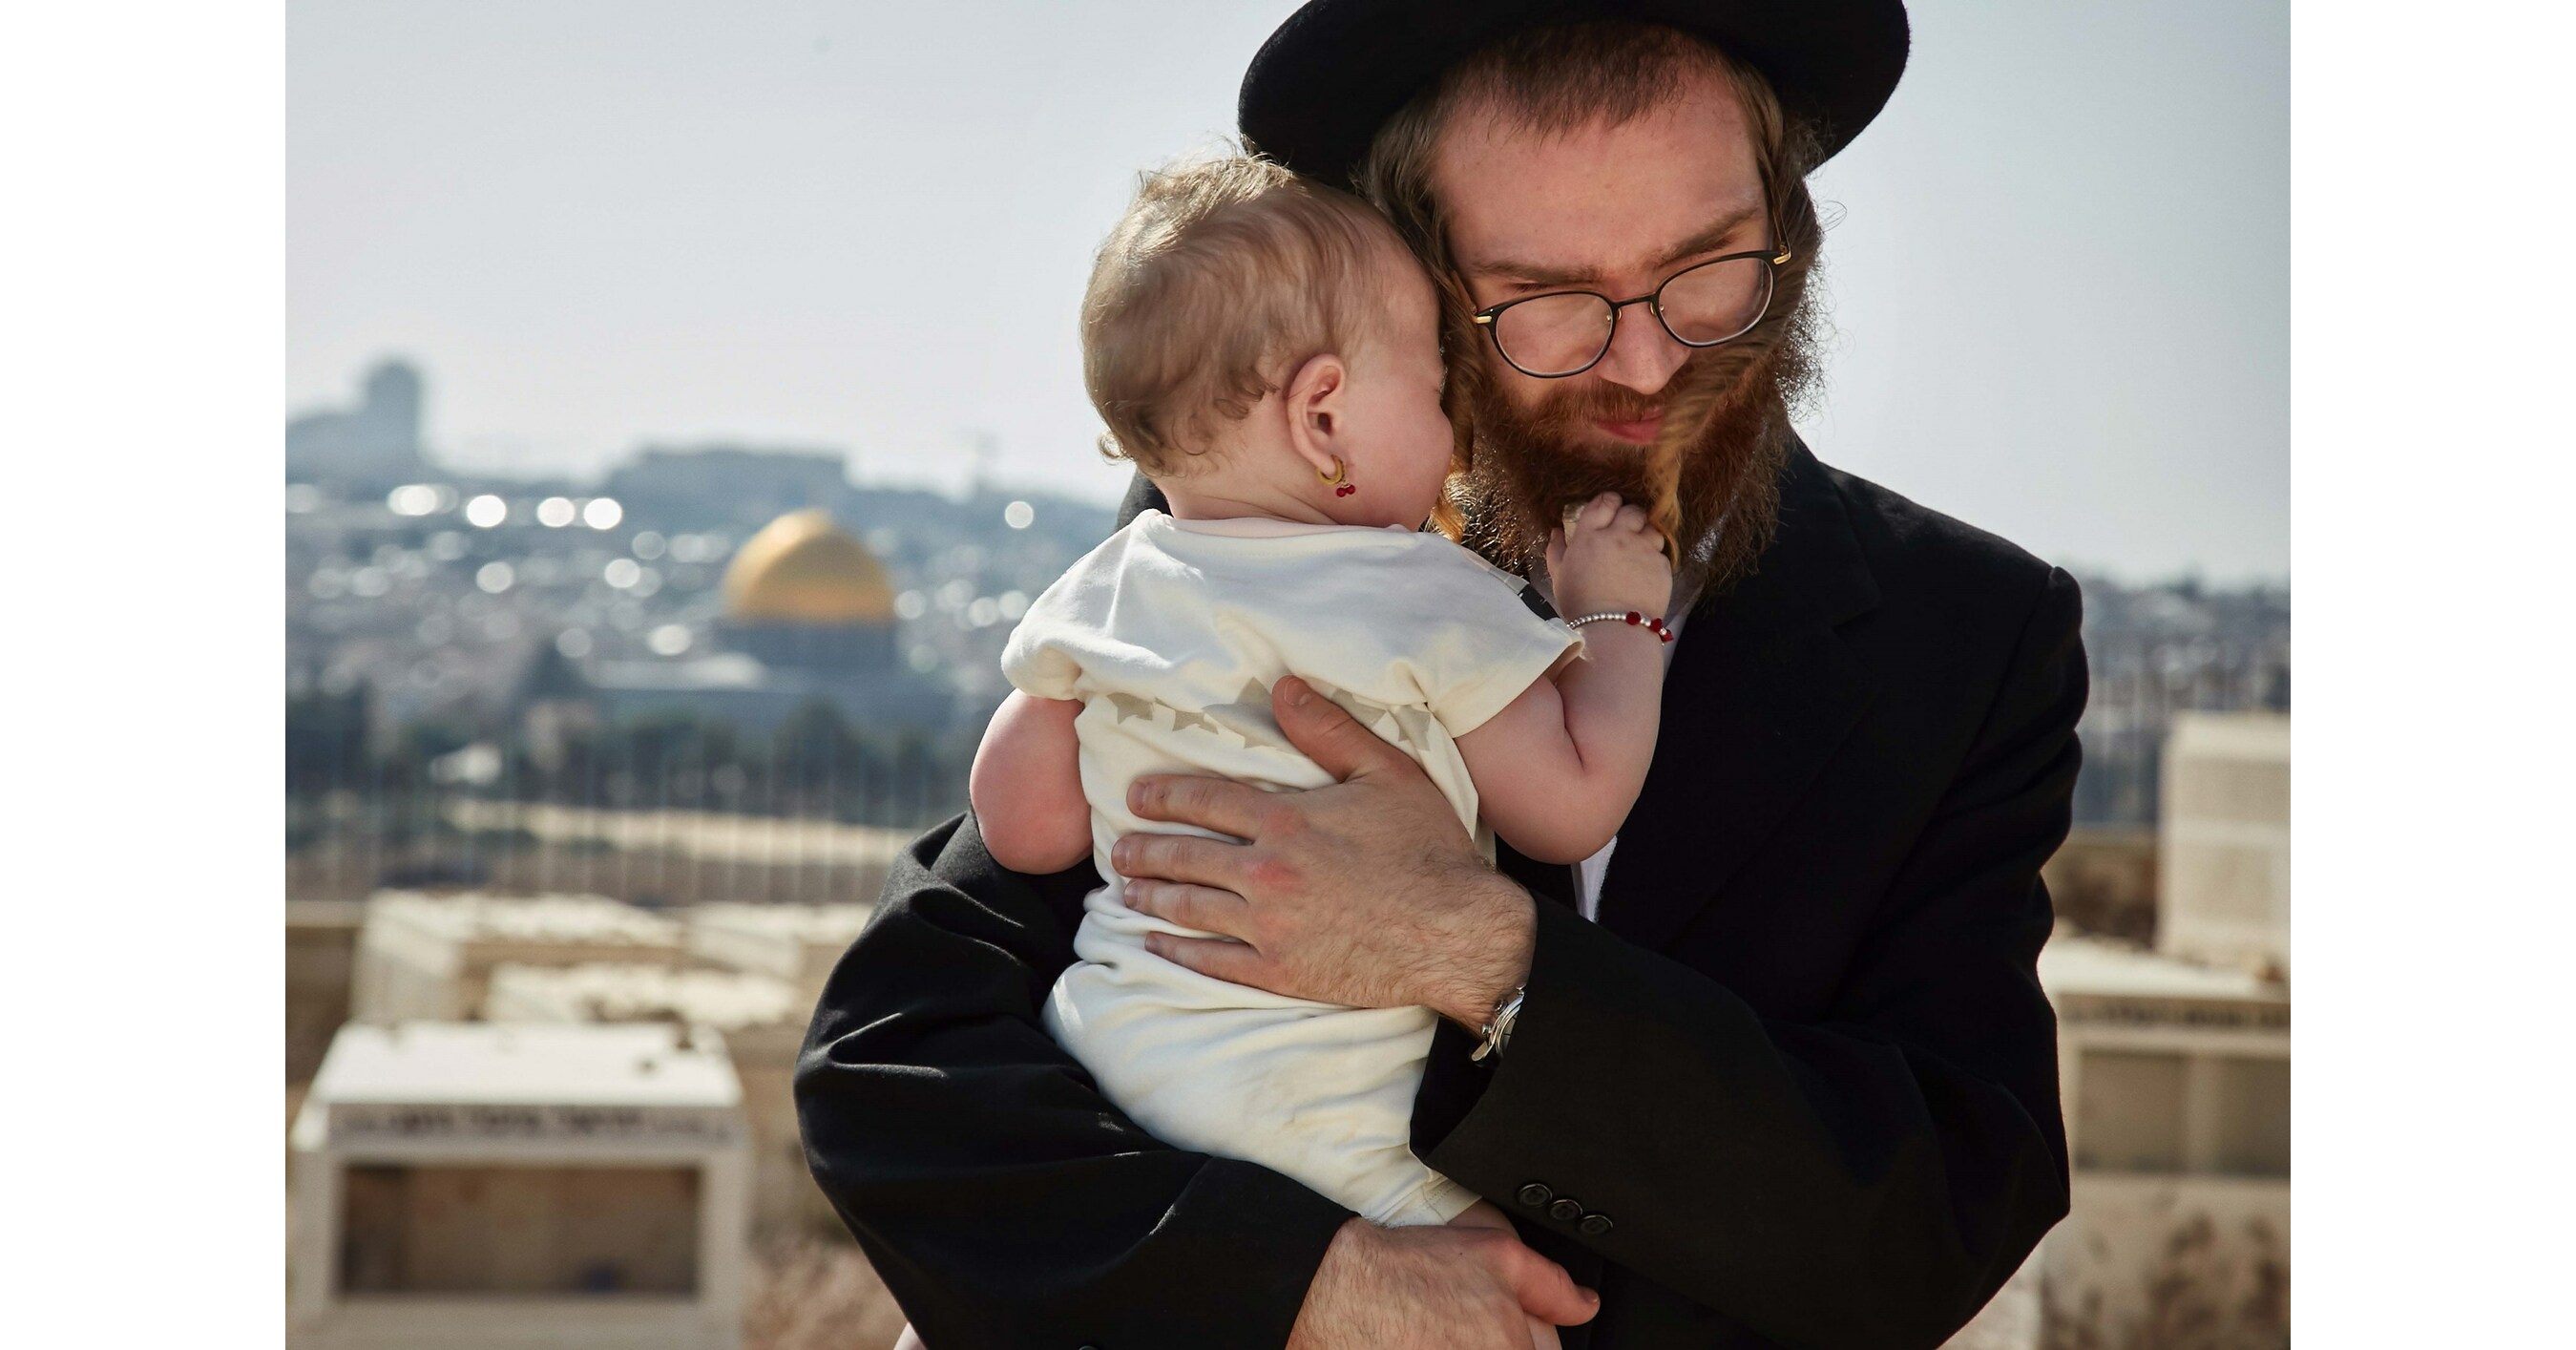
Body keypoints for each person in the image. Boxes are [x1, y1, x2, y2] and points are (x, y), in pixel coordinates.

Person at [797, 5, 2088, 1348]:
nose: (1643, 360)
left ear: (1789, 233)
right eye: (1545, 298)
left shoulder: (1970, 630)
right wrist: (1305, 1281)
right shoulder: (1262, 527)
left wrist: (1483, 954)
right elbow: (900, 1062)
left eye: (1707, 269)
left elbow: (1940, 1203)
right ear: (1420, 287)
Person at [953, 153, 1673, 1350]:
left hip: (1117, 1087)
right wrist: (1617, 620)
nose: (1452, 442)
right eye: (1437, 391)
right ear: (1324, 413)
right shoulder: (1420, 593)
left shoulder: (1103, 586)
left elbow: (1019, 827)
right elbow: (1571, 806)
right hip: (1332, 1135)